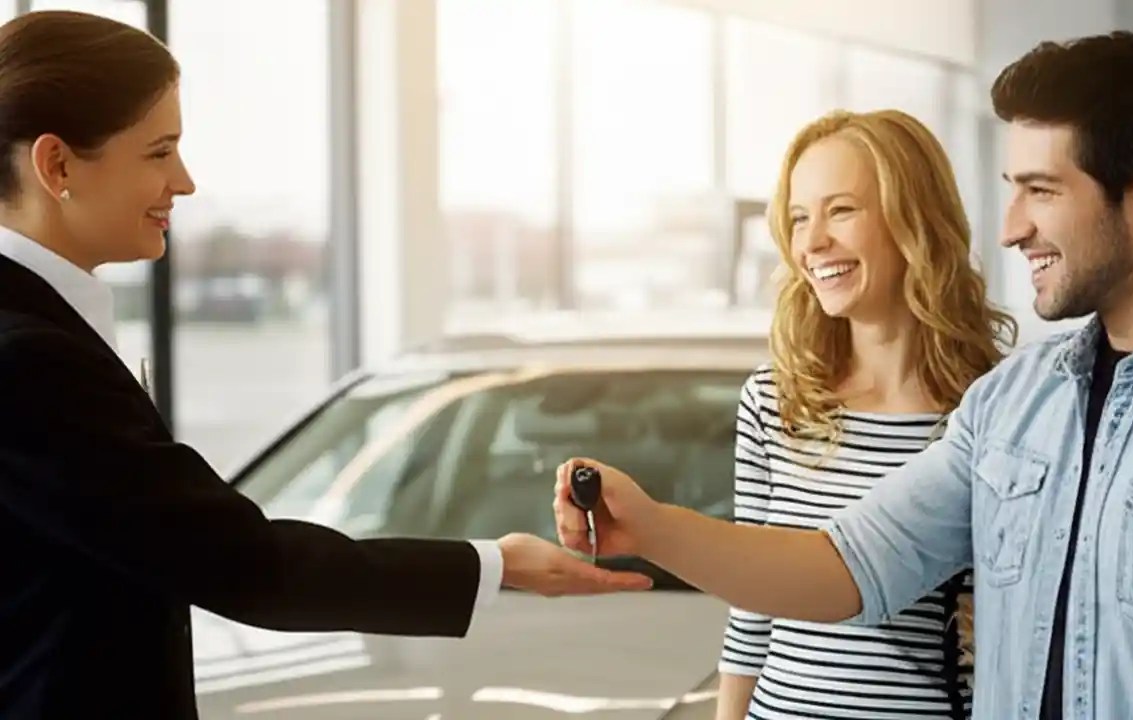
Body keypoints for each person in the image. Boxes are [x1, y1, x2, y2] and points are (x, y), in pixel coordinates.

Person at [554, 30, 1133, 720]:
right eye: (1012, 189)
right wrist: (650, 526)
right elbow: (845, 567)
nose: (1011, 227)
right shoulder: (1012, 404)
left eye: (1043, 190)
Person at [0, 11, 648, 719]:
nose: (183, 182)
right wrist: (498, 563)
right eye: (159, 152)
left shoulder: (44, 331)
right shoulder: (29, 356)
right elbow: (241, 563)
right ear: (57, 164)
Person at [712, 108, 1015, 720]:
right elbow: (751, 612)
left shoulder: (993, 406)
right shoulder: (774, 400)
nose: (812, 242)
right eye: (799, 218)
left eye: (841, 210)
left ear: (914, 219)